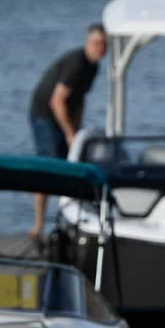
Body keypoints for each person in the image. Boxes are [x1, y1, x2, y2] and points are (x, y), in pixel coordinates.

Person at [27, 23, 106, 240]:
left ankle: (69, 220)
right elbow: (57, 100)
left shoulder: (93, 67)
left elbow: (78, 100)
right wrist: (70, 132)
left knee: (70, 162)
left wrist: (77, 132)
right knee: (49, 166)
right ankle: (38, 226)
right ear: (87, 43)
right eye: (96, 43)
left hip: (62, 115)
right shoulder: (77, 64)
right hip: (44, 113)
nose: (100, 48)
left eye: (103, 44)